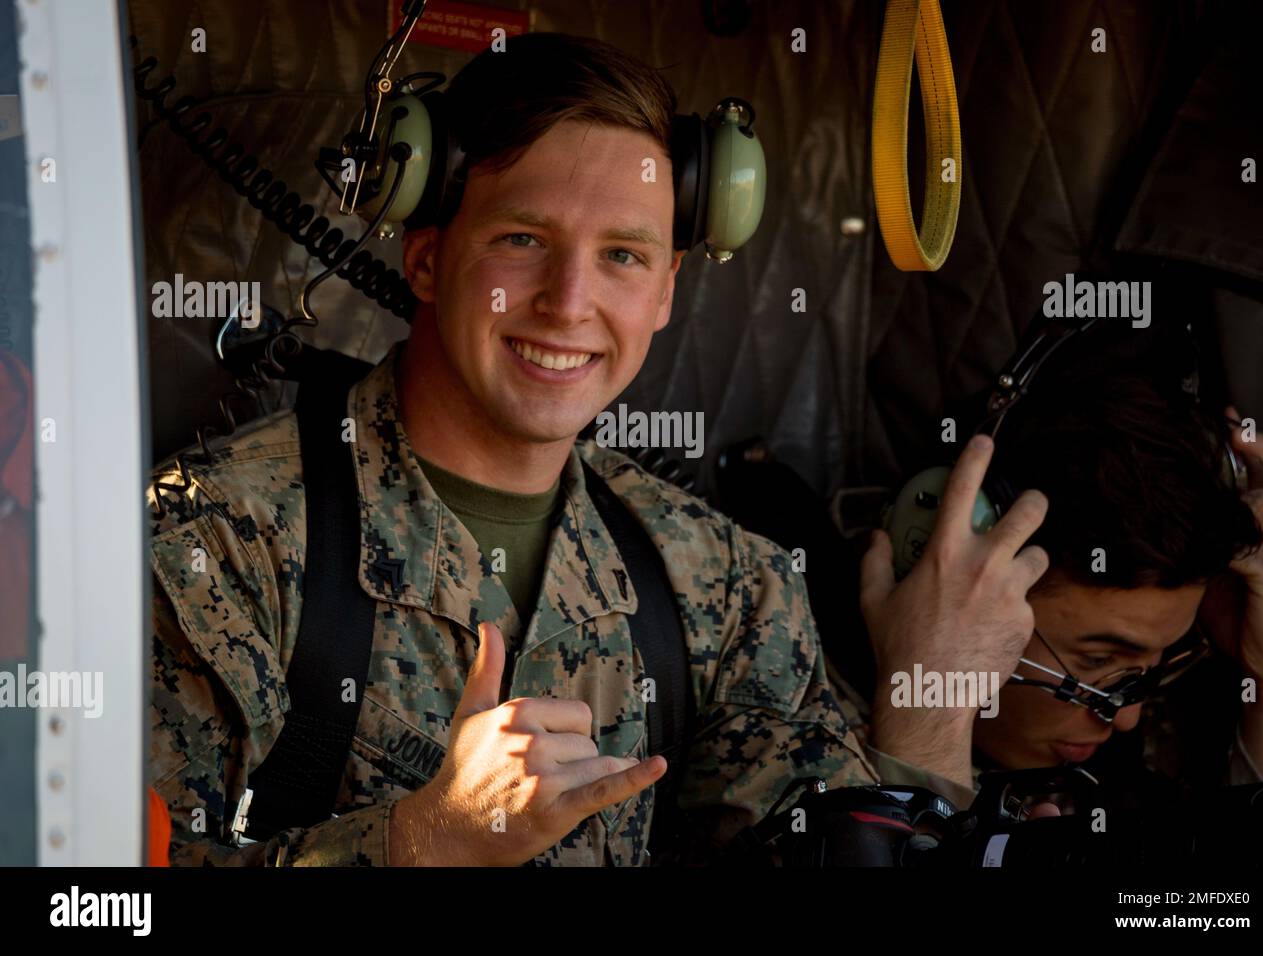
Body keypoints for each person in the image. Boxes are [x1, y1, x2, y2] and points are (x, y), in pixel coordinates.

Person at [146, 32, 883, 867]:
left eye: (621, 256)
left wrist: (928, 711)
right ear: (426, 256)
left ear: (667, 288)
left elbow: (833, 845)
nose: (570, 303)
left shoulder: (727, 584)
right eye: (522, 241)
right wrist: (418, 844)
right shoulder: (209, 546)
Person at [847, 349, 1263, 808]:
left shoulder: (1137, 745)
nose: (1125, 719)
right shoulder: (792, 696)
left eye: (1148, 669)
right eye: (1097, 659)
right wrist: (929, 712)